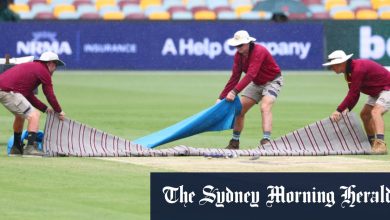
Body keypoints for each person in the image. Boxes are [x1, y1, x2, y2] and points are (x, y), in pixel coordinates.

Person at [217, 30, 283, 149]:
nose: (238, 48)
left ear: (248, 43)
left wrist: (234, 92)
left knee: (265, 106)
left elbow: (251, 74)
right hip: (257, 83)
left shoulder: (259, 51)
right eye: (236, 45)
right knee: (239, 110)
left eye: (240, 45)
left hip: (273, 81)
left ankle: (266, 142)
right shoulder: (238, 56)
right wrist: (221, 97)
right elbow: (235, 77)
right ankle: (235, 142)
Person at [323, 50, 390, 155]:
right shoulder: (348, 73)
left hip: (387, 88)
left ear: (341, 63)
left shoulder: (358, 69)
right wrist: (348, 109)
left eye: (333, 66)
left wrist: (339, 110)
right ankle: (372, 144)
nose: (332, 68)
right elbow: (356, 94)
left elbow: (353, 93)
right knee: (364, 115)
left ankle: (380, 145)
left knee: (375, 112)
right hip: (376, 91)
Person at [0, 51, 66, 156]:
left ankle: (16, 148)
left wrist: (45, 109)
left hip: (4, 89)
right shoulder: (43, 71)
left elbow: (29, 95)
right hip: (7, 91)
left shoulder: (35, 67)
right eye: (56, 65)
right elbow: (49, 94)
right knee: (34, 115)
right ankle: (30, 148)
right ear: (50, 63)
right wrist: (59, 111)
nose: (55, 69)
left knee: (20, 115)